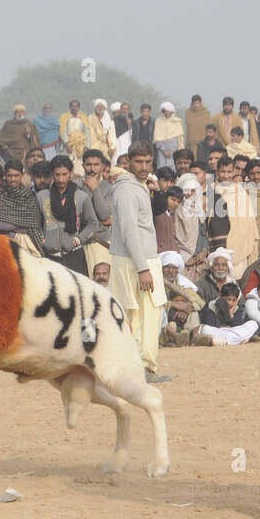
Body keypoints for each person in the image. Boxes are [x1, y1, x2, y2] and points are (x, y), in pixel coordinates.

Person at [108, 142, 167, 379]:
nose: (143, 167)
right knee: (143, 316)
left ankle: (137, 368)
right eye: (138, 162)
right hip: (136, 261)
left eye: (148, 162)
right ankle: (139, 369)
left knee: (143, 315)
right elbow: (129, 230)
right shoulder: (127, 189)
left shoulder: (137, 186)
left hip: (140, 259)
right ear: (128, 162)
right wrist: (143, 268)